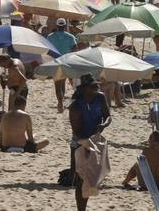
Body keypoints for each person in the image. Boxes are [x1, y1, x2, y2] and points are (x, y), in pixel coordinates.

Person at [69, 75, 111, 211]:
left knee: (92, 179)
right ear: (84, 89)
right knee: (81, 180)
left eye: (96, 85)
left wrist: (103, 125)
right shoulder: (75, 106)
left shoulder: (100, 97)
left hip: (95, 141)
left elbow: (108, 116)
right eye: (93, 86)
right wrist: (86, 144)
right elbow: (76, 131)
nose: (96, 88)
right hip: (80, 143)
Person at [47, 19, 79, 113]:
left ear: (56, 26)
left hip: (56, 62)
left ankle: (60, 102)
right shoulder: (70, 37)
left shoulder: (50, 37)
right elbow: (74, 49)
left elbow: (48, 50)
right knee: (63, 82)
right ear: (65, 26)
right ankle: (61, 102)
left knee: (57, 84)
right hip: (66, 62)